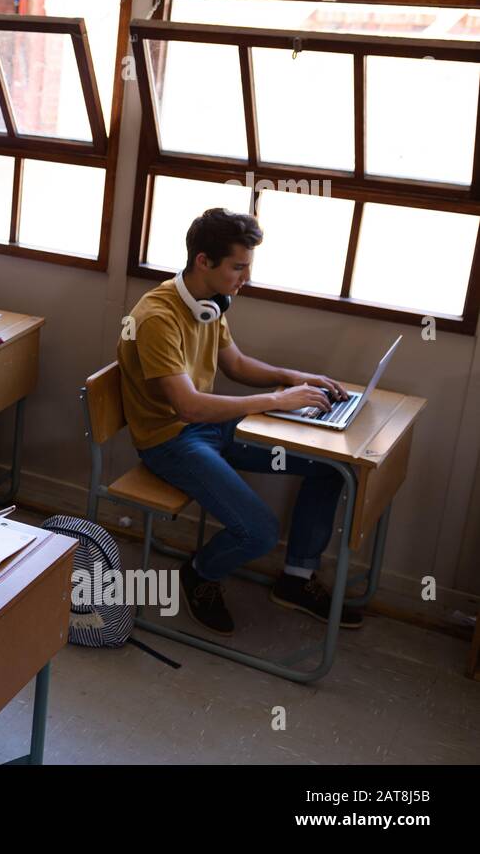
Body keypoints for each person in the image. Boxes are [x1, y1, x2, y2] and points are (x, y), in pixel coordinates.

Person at [117, 208, 360, 636]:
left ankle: (296, 579)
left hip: (212, 428)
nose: (245, 278)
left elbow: (237, 364)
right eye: (239, 267)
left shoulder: (210, 302)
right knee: (259, 532)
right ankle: (199, 574)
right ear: (203, 262)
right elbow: (189, 408)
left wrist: (294, 377)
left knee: (328, 469)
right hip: (171, 442)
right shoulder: (157, 317)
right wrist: (277, 399)